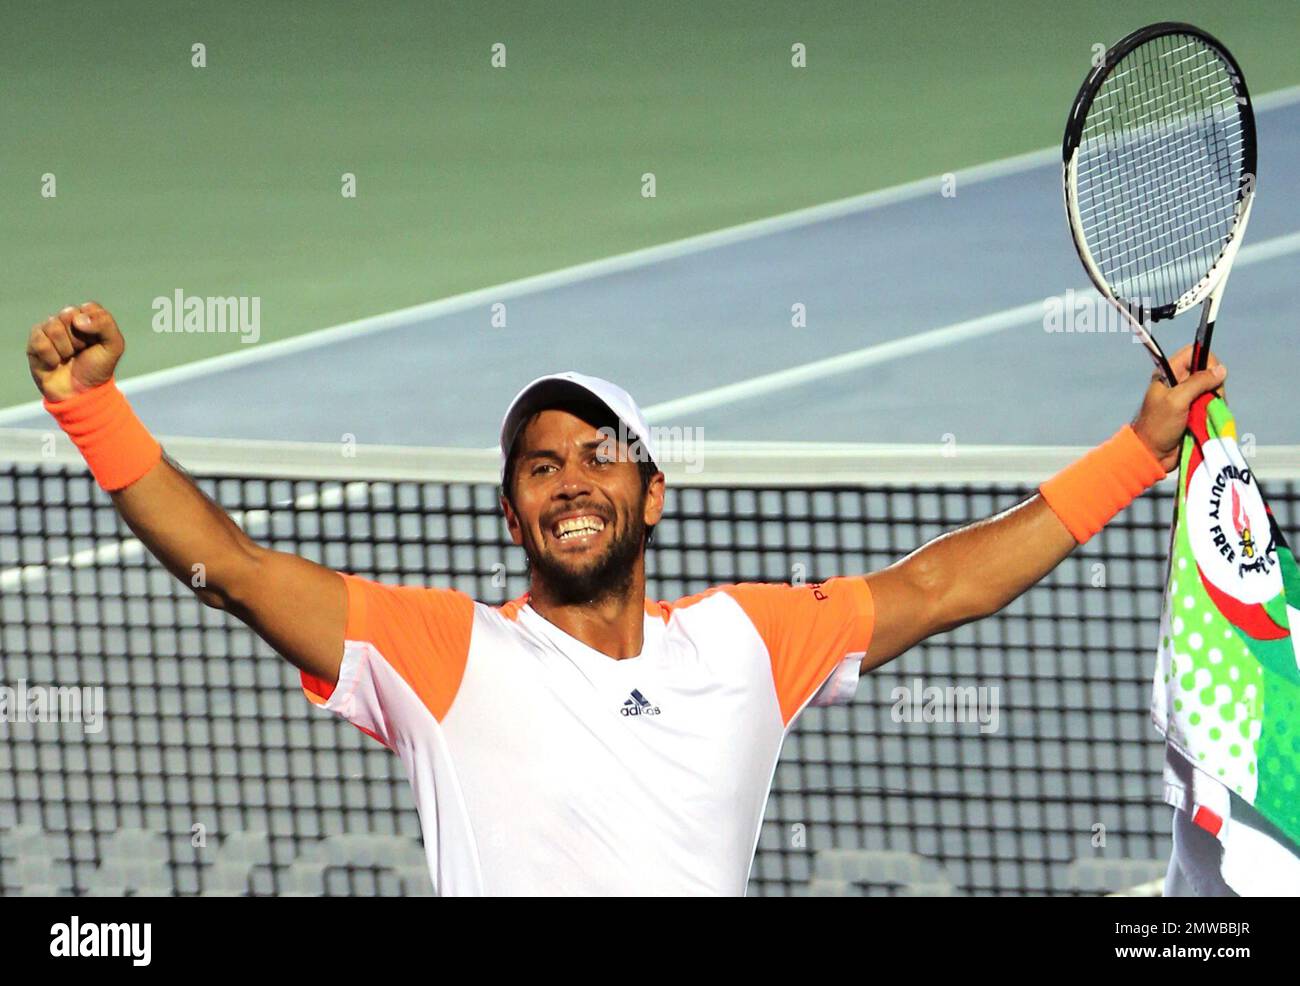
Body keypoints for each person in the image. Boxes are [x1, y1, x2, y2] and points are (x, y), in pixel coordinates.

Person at [28, 301, 1227, 896]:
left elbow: (939, 582)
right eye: (541, 466)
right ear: (514, 515)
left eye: (601, 455)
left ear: (651, 495)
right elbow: (231, 566)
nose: (572, 481)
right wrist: (93, 410)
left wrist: (1134, 448)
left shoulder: (749, 639)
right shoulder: (439, 649)